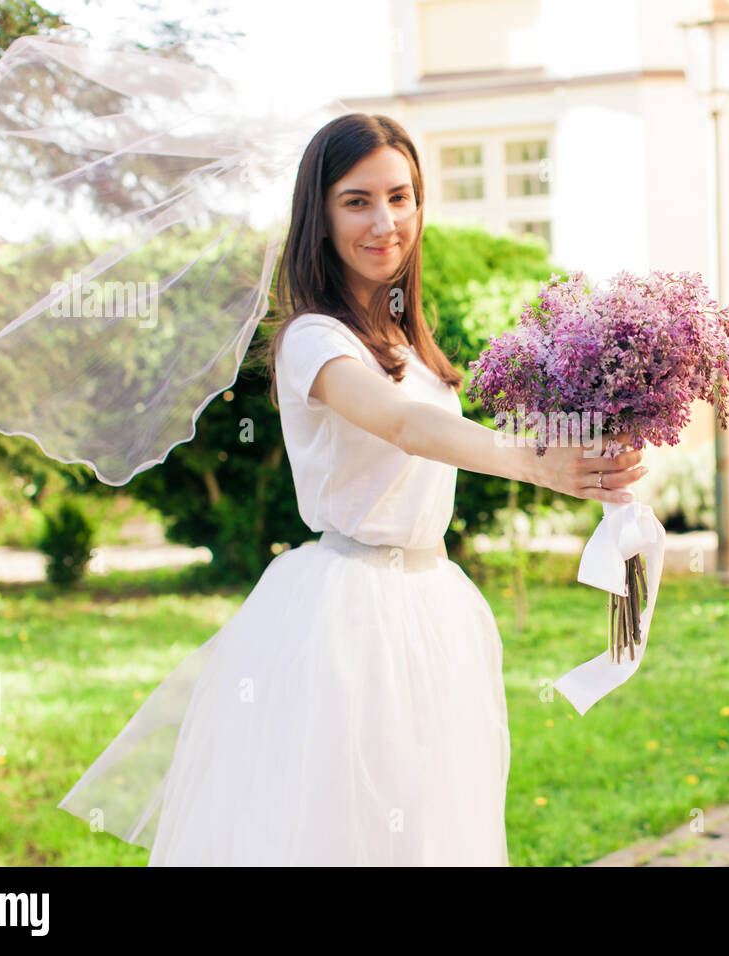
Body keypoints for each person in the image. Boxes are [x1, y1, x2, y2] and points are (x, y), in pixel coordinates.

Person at [56, 113, 648, 864]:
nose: (385, 221)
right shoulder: (314, 339)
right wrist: (537, 462)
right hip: (347, 612)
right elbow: (401, 426)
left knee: (431, 822)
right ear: (321, 215)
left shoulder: (408, 340)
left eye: (401, 197)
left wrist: (586, 440)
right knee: (349, 824)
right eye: (357, 201)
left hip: (433, 601)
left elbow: (432, 430)